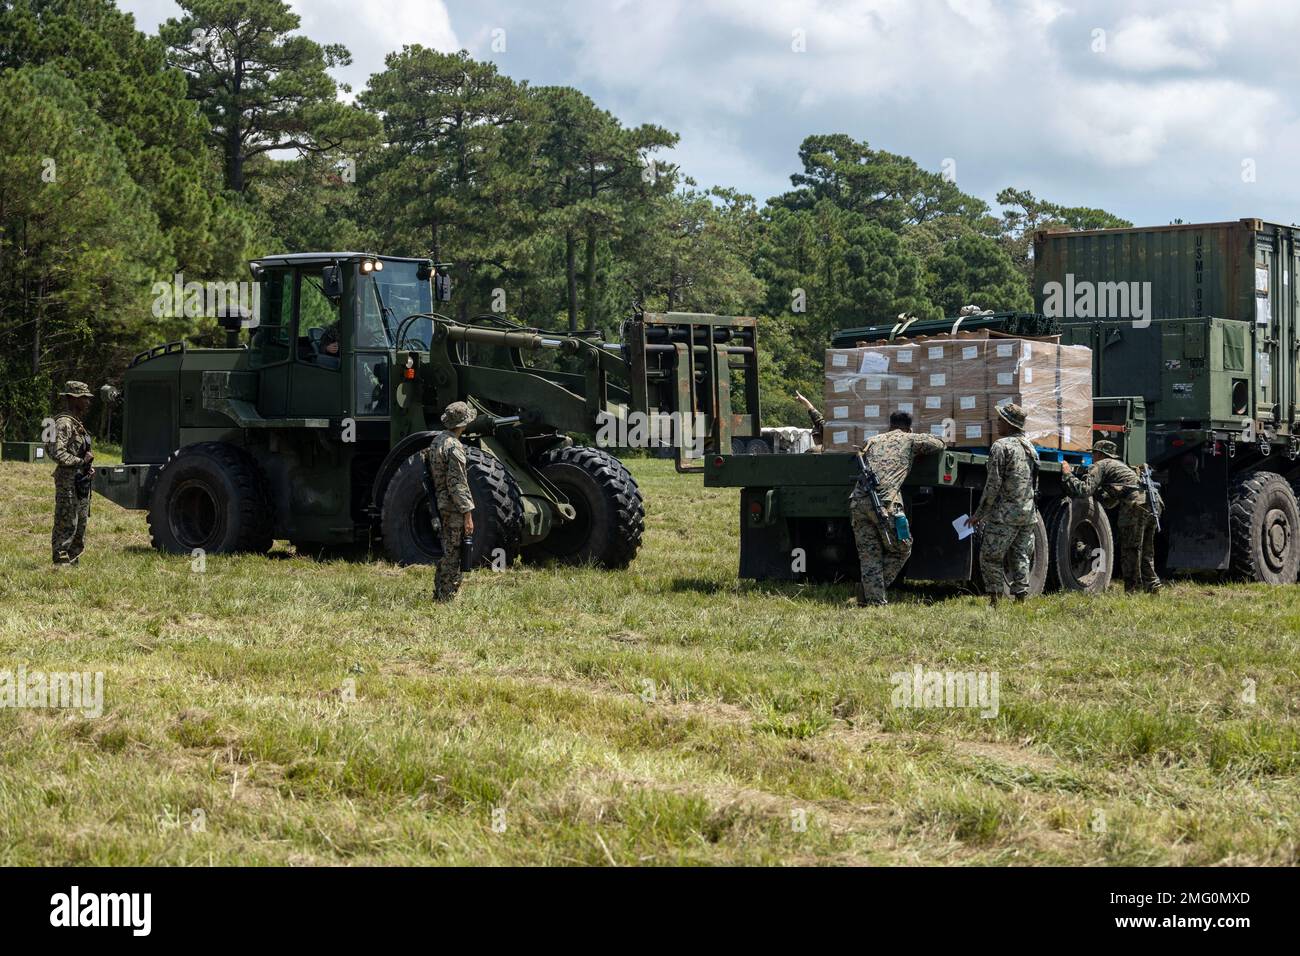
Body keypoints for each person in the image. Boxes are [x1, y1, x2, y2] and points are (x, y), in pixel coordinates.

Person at [850, 409, 947, 606]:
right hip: (885, 505)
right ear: (909, 428)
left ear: (889, 425)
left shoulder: (872, 440)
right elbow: (939, 444)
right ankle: (873, 593)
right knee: (903, 548)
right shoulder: (910, 439)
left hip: (858, 502)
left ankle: (872, 597)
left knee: (870, 555)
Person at [1062, 440, 1162, 593]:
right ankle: (1153, 586)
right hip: (1152, 502)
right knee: (1147, 550)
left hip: (1136, 505)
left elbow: (1083, 490)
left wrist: (1068, 474)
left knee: (1131, 549)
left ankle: (1133, 590)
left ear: (1099, 454)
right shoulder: (1120, 466)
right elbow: (1111, 501)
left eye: (1094, 453)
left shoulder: (1101, 465)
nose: (1093, 457)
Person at [968, 403, 1039, 605]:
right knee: (1020, 555)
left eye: (1000, 420)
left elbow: (992, 485)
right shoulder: (1029, 447)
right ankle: (1020, 599)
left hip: (1005, 514)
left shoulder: (1001, 446)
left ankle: (994, 600)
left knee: (990, 556)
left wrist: (979, 514)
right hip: (1027, 513)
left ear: (1009, 424)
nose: (997, 423)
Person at [424, 402, 477, 601]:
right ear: (463, 424)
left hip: (442, 503)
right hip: (454, 507)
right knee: (454, 553)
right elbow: (457, 484)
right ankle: (446, 597)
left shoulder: (437, 441)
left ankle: (439, 592)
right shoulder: (454, 446)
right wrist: (468, 514)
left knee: (448, 549)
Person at [46, 381, 95, 566]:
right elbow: (56, 452)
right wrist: (80, 462)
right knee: (66, 522)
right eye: (84, 398)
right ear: (73, 399)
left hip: (80, 480)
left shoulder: (76, 423)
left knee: (80, 523)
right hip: (67, 481)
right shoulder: (62, 423)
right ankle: (61, 561)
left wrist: (86, 466)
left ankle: (73, 559)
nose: (88, 402)